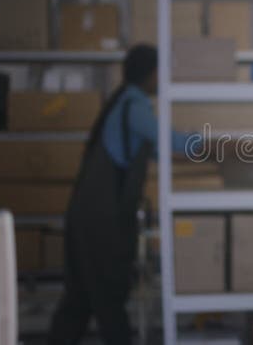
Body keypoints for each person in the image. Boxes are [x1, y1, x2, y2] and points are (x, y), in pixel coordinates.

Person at [48, 44, 192, 345]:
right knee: (108, 300)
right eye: (160, 72)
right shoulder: (134, 106)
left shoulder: (122, 102)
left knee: (80, 299)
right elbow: (171, 141)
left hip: (85, 217)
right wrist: (219, 146)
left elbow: (159, 149)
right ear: (151, 74)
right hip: (100, 221)